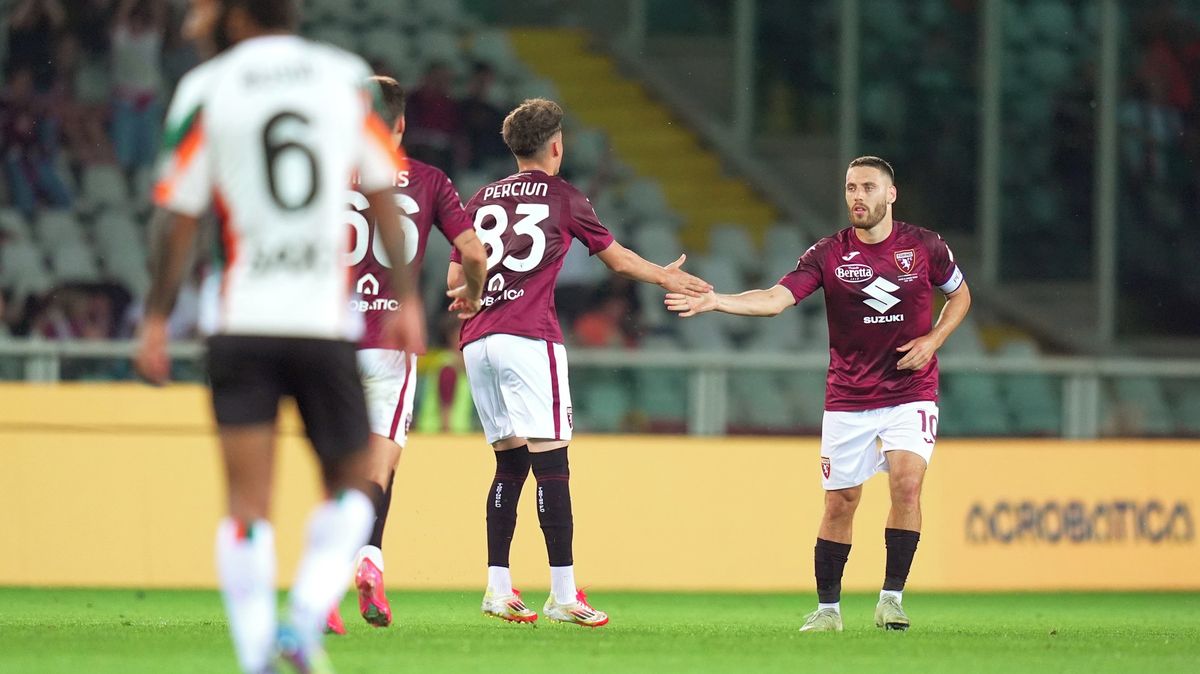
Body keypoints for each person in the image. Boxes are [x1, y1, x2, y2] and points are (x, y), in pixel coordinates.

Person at [132, 1, 429, 671]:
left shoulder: (209, 86)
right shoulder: (344, 76)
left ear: (236, 16)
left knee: (246, 503)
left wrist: (155, 316)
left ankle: (256, 655)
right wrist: (407, 298)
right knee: (354, 486)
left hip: (242, 320)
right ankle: (301, 622)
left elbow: (177, 216)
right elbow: (383, 187)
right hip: (322, 322)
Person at [666, 156, 971, 633]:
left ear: (890, 194)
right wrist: (717, 300)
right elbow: (775, 299)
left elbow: (960, 294)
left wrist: (934, 339)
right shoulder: (829, 253)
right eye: (851, 188)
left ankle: (891, 600)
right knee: (841, 502)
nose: (857, 197)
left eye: (868, 187)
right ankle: (828, 610)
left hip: (911, 390)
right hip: (849, 396)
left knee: (907, 484)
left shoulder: (925, 246)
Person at [447, 98, 711, 627]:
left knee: (509, 464)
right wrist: (665, 275)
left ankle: (498, 588)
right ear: (556, 146)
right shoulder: (564, 197)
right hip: (528, 337)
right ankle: (563, 594)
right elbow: (617, 259)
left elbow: (456, 280)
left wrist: (478, 295)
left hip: (478, 341)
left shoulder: (481, 198)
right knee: (552, 465)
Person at [325, 75, 487, 634]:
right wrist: (472, 294)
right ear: (400, 123)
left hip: (330, 342)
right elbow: (473, 252)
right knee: (378, 467)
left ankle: (330, 584)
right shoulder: (429, 179)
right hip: (391, 346)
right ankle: (367, 560)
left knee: (338, 469)